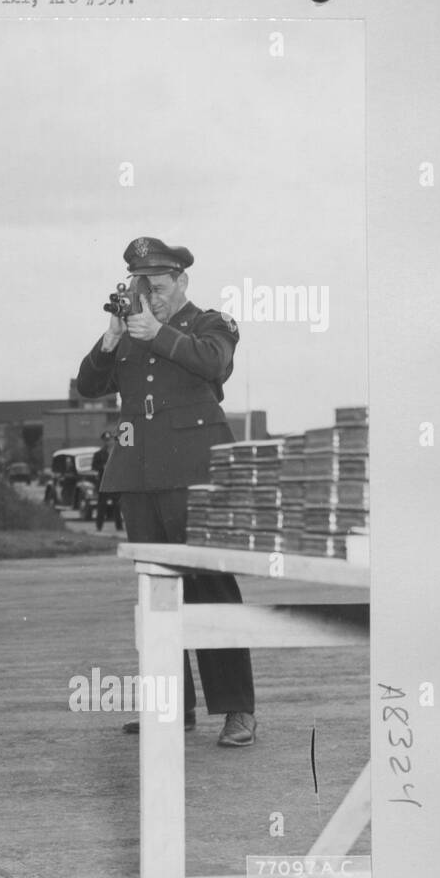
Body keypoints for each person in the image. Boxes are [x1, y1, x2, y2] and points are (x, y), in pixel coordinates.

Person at [75, 237, 256, 746]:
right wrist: (110, 340)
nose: (149, 296)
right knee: (159, 595)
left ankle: (238, 709)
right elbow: (87, 386)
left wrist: (156, 333)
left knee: (210, 590)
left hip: (196, 474)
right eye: (141, 287)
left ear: (181, 282)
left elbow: (213, 364)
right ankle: (173, 707)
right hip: (139, 474)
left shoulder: (210, 324)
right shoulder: (131, 330)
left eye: (157, 286)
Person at [91, 431, 123, 531]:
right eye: (106, 440)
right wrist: (102, 467)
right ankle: (99, 526)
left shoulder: (117, 453)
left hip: (114, 483)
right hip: (103, 483)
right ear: (103, 441)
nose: (108, 442)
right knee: (101, 506)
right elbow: (94, 466)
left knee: (117, 506)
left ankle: (119, 526)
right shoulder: (99, 454)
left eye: (109, 440)